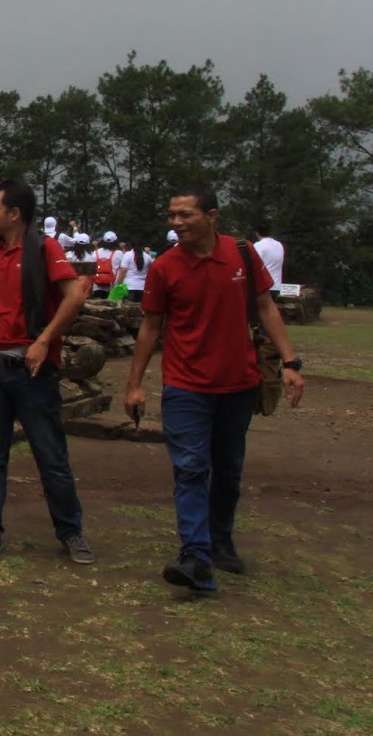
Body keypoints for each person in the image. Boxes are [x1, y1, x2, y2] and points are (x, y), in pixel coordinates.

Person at [124, 187, 305, 593]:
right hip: (185, 385)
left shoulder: (240, 255)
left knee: (227, 470)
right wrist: (134, 384)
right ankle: (196, 556)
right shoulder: (165, 267)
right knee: (190, 469)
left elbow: (264, 307)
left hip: (238, 383)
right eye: (172, 215)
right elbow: (150, 327)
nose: (176, 223)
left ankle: (219, 540)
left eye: (185, 215)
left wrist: (290, 361)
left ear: (212, 216)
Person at [0, 179, 95, 564]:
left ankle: (71, 532)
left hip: (33, 370)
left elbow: (73, 297)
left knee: (50, 457)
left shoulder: (43, 249)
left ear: (14, 214)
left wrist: (45, 339)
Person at [114, 236, 154, 303]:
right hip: (142, 288)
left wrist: (118, 284)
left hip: (128, 287)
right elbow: (151, 271)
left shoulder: (127, 255)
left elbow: (123, 271)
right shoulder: (147, 257)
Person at [253, 221, 285, 299]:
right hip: (277, 286)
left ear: (257, 233)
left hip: (264, 287)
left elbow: (255, 265)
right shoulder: (279, 244)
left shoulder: (258, 245)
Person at [90, 232, 120, 298]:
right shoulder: (118, 253)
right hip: (112, 286)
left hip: (97, 284)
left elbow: (92, 266)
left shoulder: (96, 252)